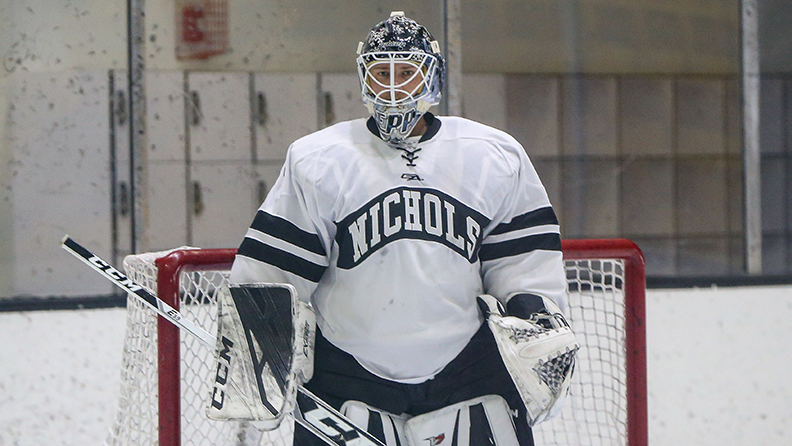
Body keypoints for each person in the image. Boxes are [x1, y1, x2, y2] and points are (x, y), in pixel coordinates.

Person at [230, 11, 569, 446]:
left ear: (431, 76)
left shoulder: (493, 155)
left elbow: (525, 260)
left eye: (406, 71)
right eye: (380, 71)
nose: (393, 85)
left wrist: (538, 321)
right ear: (363, 78)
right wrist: (255, 349)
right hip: (347, 377)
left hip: (466, 375)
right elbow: (271, 272)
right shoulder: (319, 158)